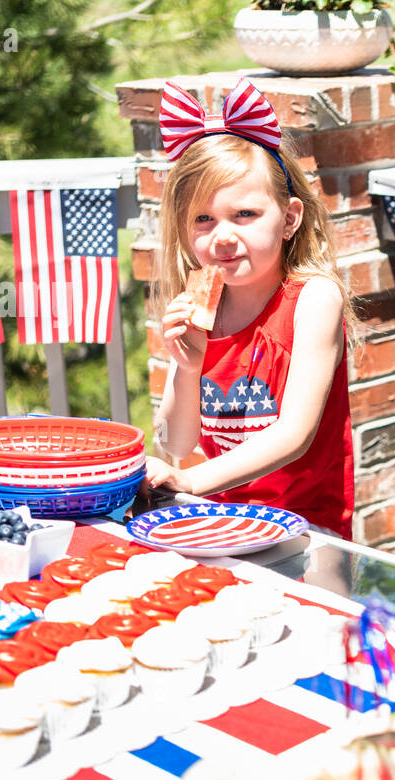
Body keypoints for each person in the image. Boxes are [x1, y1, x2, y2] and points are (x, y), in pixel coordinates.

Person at [144, 78, 357, 540]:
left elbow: (294, 434)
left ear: (290, 219)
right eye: (203, 219)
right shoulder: (200, 304)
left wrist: (191, 482)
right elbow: (176, 441)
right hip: (226, 521)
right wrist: (188, 367)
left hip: (308, 530)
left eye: (244, 215)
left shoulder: (313, 298)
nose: (222, 236)